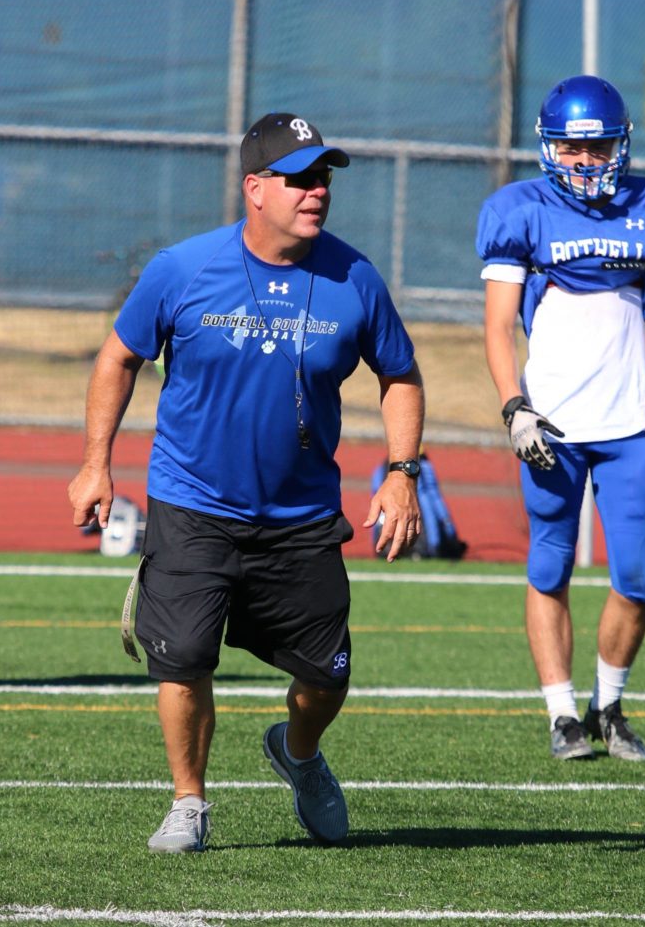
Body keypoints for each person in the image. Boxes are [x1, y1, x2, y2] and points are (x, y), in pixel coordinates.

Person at [68, 112, 424, 851]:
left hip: (300, 517)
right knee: (183, 659)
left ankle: (297, 751)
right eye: (300, 178)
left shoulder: (355, 277)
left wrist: (401, 473)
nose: (317, 190)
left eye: (323, 177)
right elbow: (118, 357)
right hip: (192, 503)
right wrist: (96, 462)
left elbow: (400, 375)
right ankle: (189, 801)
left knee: (326, 677)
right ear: (255, 188)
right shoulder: (183, 268)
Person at [477, 75, 645, 762]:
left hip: (629, 426)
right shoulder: (520, 210)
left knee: (639, 575)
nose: (584, 160)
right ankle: (561, 714)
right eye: (572, 147)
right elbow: (497, 326)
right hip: (550, 426)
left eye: (598, 146)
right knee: (549, 565)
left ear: (621, 144)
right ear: (550, 147)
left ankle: (607, 706)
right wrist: (514, 406)